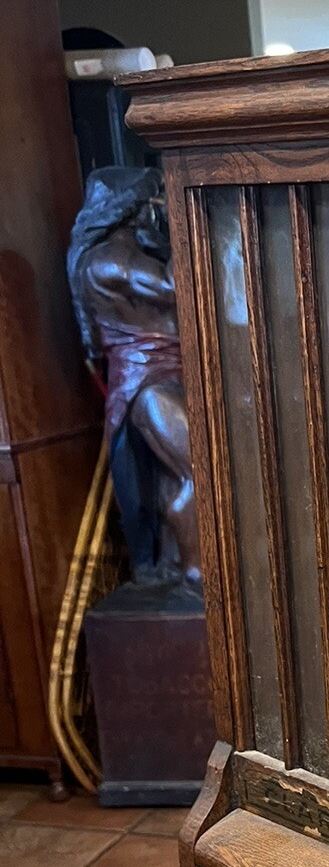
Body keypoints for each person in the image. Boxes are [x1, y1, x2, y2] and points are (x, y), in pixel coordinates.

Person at [66, 167, 199, 586]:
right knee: (201, 472)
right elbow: (178, 287)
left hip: (164, 379)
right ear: (136, 209)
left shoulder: (120, 254)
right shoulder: (110, 258)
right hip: (149, 385)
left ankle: (179, 564)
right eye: (153, 204)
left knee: (175, 477)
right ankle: (195, 568)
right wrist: (183, 221)